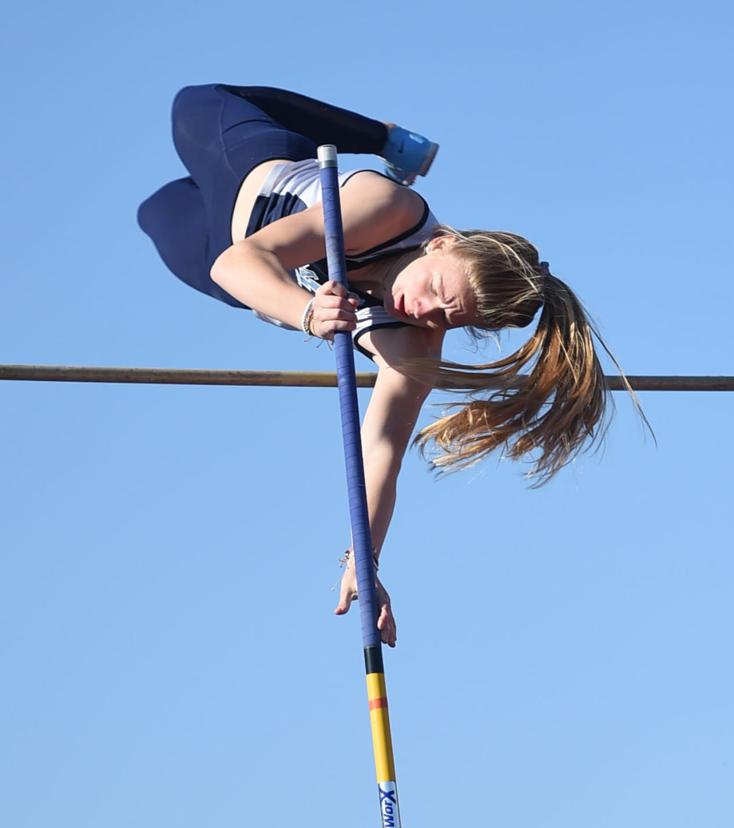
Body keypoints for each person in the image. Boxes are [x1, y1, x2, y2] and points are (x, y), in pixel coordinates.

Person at [139, 84, 619, 648]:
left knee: (151, 213)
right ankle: (387, 138)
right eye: (438, 289)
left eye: (450, 317)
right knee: (193, 99)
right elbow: (241, 263)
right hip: (244, 167)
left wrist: (363, 563)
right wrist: (307, 315)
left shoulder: (415, 344)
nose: (425, 311)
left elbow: (382, 454)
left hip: (215, 248)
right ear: (441, 244)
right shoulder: (389, 210)